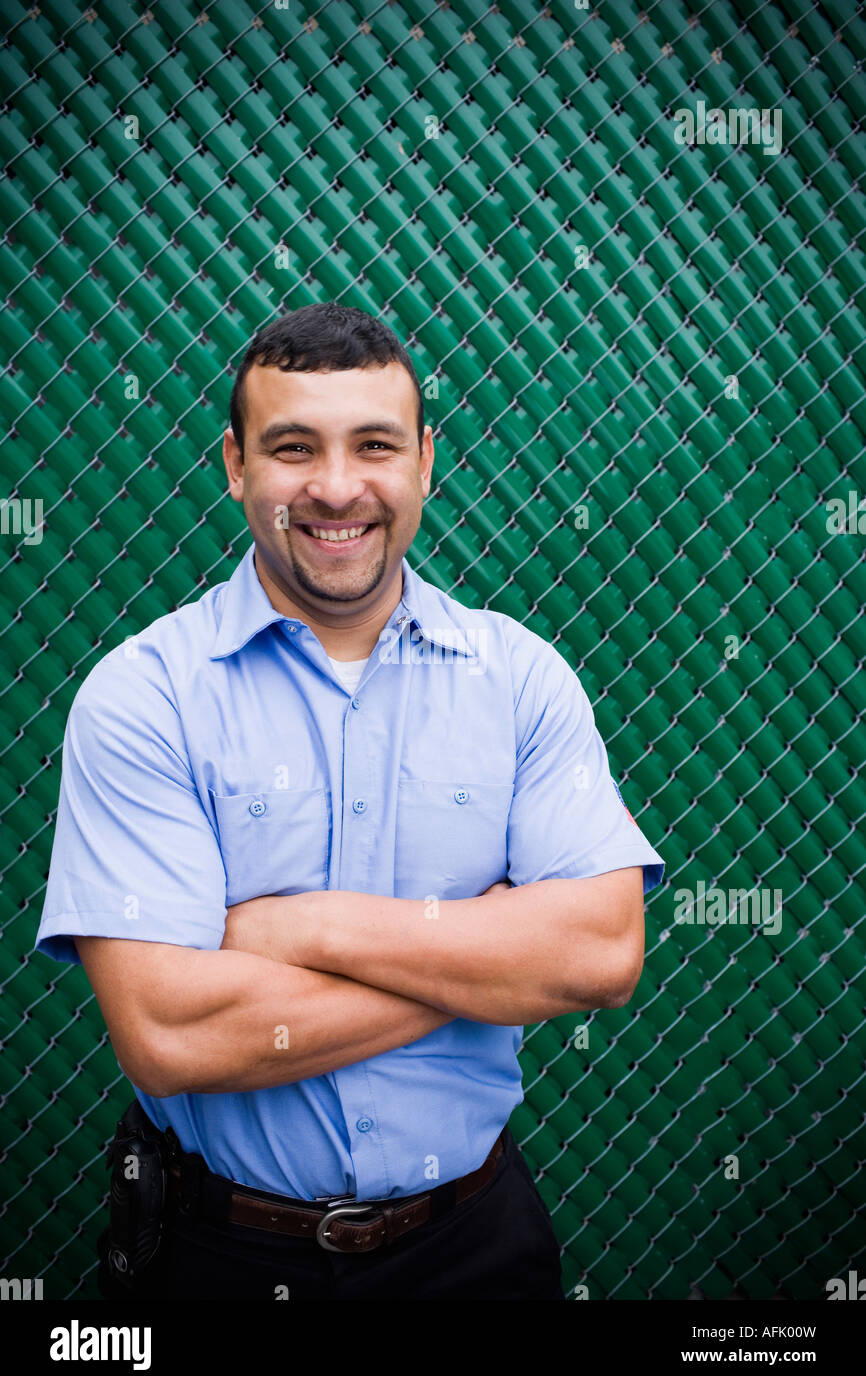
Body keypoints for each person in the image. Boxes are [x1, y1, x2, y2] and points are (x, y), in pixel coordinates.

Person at [35, 302, 665, 1301]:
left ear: (423, 460)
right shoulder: (141, 696)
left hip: (475, 1249)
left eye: (372, 445)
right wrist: (490, 957)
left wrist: (300, 927)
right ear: (236, 465)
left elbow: (598, 953)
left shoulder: (519, 678)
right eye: (292, 448)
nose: (335, 488)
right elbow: (169, 1037)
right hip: (217, 1260)